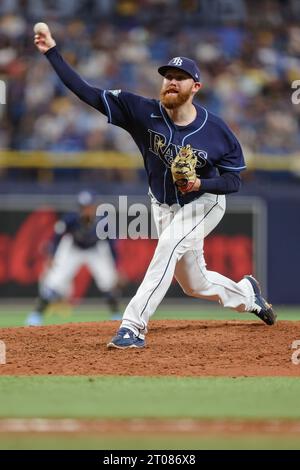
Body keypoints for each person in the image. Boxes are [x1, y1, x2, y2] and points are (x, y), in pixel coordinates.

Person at [33, 27, 276, 345]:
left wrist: (200, 182)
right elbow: (87, 92)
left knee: (169, 246)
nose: (172, 81)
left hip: (204, 202)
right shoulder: (140, 110)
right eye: (168, 75)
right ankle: (247, 294)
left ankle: (132, 327)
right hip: (162, 204)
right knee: (194, 283)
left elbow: (233, 181)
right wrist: (52, 51)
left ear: (196, 86)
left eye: (181, 76)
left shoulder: (216, 130)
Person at [26, 190, 121, 326]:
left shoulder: (103, 221)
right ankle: (36, 315)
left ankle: (116, 315)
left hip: (95, 249)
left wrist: (116, 266)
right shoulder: (71, 218)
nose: (87, 209)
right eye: (83, 207)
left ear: (95, 206)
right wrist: (52, 255)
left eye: (89, 206)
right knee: (54, 280)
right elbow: (57, 236)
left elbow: (112, 245)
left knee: (108, 280)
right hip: (73, 248)